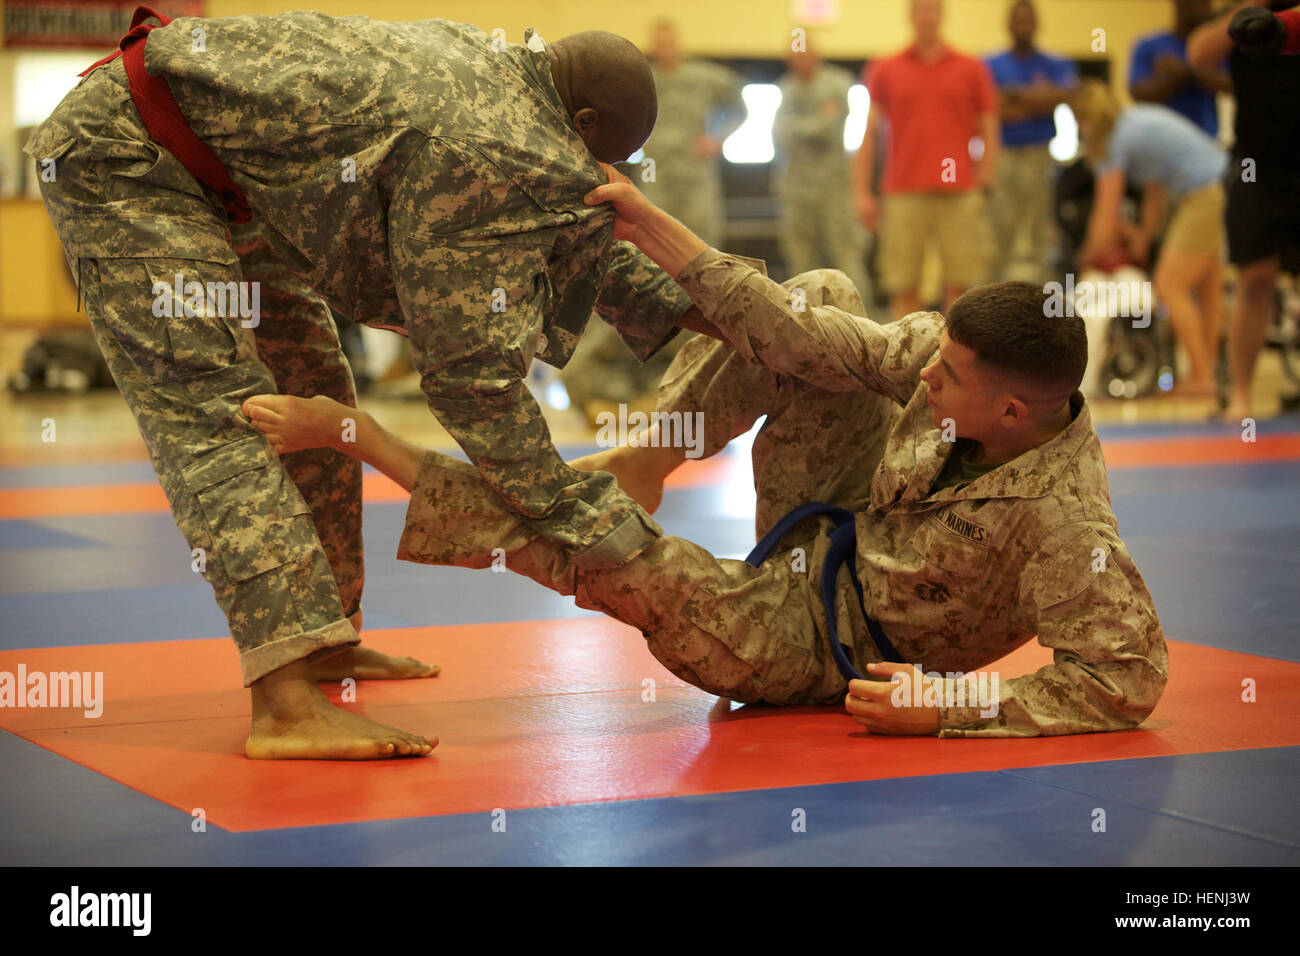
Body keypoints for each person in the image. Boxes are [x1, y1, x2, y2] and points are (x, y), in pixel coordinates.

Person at [247, 164, 1169, 738]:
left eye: (952, 378)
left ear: (1012, 411)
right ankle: (656, 452)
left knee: (629, 562)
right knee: (822, 295)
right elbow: (804, 337)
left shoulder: (1063, 524)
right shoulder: (946, 361)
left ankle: (369, 441)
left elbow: (1127, 678)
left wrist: (956, 703)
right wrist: (651, 226)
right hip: (837, 518)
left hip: (828, 642)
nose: (929, 375)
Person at [24, 11, 707, 760]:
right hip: (125, 152)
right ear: (576, 120)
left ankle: (325, 643)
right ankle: (284, 704)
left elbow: (586, 243)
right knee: (224, 415)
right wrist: (565, 507)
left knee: (316, 391)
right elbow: (469, 374)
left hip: (230, 176)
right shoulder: (483, 137)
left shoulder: (512, 86)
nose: (581, 177)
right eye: (592, 158)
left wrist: (735, 312)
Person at [1073, 79, 1228, 397]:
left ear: (1086, 121)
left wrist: (1085, 258)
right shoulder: (1134, 124)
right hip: (1226, 186)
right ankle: (1207, 373)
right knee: (1208, 286)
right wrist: (1144, 235)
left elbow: (1106, 212)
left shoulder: (1112, 140)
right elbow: (1155, 189)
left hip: (1204, 194)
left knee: (1170, 284)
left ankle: (1201, 377)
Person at [1189, 0, 1300, 422]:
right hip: (1257, 164)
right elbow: (1199, 54)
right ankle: (1240, 396)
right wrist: (1253, 8)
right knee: (1255, 277)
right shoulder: (1245, 16)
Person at [853, 0, 1000, 319]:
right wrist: (862, 192)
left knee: (959, 286)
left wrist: (986, 176)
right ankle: (902, 364)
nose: (926, 17)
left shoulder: (971, 67)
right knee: (904, 285)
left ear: (941, 14)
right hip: (904, 190)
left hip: (959, 190)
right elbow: (870, 132)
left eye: (932, 9)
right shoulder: (886, 67)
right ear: (911, 16)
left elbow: (989, 123)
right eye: (920, 9)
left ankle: (955, 361)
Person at [985, 0, 1078, 283]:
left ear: (1037, 23)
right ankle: (991, 298)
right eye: (1018, 19)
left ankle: (1041, 301)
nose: (1023, 25)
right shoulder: (990, 64)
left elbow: (1066, 96)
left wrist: (1015, 96)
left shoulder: (1056, 63)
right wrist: (1037, 98)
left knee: (1041, 229)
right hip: (1003, 156)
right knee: (998, 230)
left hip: (1041, 157)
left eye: (1029, 19)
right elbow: (993, 106)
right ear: (1009, 24)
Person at [773, 37, 871, 299]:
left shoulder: (836, 84)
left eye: (804, 55)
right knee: (801, 258)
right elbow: (779, 135)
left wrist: (798, 127)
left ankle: (862, 323)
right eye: (794, 57)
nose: (800, 61)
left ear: (817, 55)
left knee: (846, 253)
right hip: (796, 190)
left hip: (835, 188)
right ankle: (806, 320)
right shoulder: (787, 88)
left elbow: (830, 126)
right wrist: (815, 121)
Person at [638, 19, 747, 248]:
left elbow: (739, 106)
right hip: (656, 170)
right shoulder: (643, 78)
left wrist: (718, 138)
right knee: (655, 237)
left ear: (678, 44)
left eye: (668, 43)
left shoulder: (703, 77)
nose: (664, 49)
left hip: (694, 170)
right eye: (659, 44)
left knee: (702, 241)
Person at [1129, 0, 1230, 137]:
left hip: (1205, 139)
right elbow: (1137, 92)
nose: (1205, 8)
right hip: (1160, 140)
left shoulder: (1215, 47)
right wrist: (1174, 79)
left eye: (1206, 3)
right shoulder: (1149, 46)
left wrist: (1187, 72)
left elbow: (1233, 85)